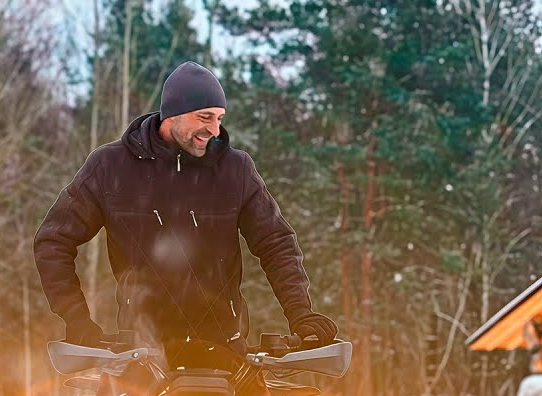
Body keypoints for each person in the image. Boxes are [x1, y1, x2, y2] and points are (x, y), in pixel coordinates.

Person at [33, 61, 337, 360]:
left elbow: (276, 243)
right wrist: (77, 320)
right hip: (141, 354)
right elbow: (53, 241)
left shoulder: (235, 170)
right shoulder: (110, 166)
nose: (215, 129)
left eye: (219, 118)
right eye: (205, 117)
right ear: (173, 114)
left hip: (225, 349)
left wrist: (300, 313)